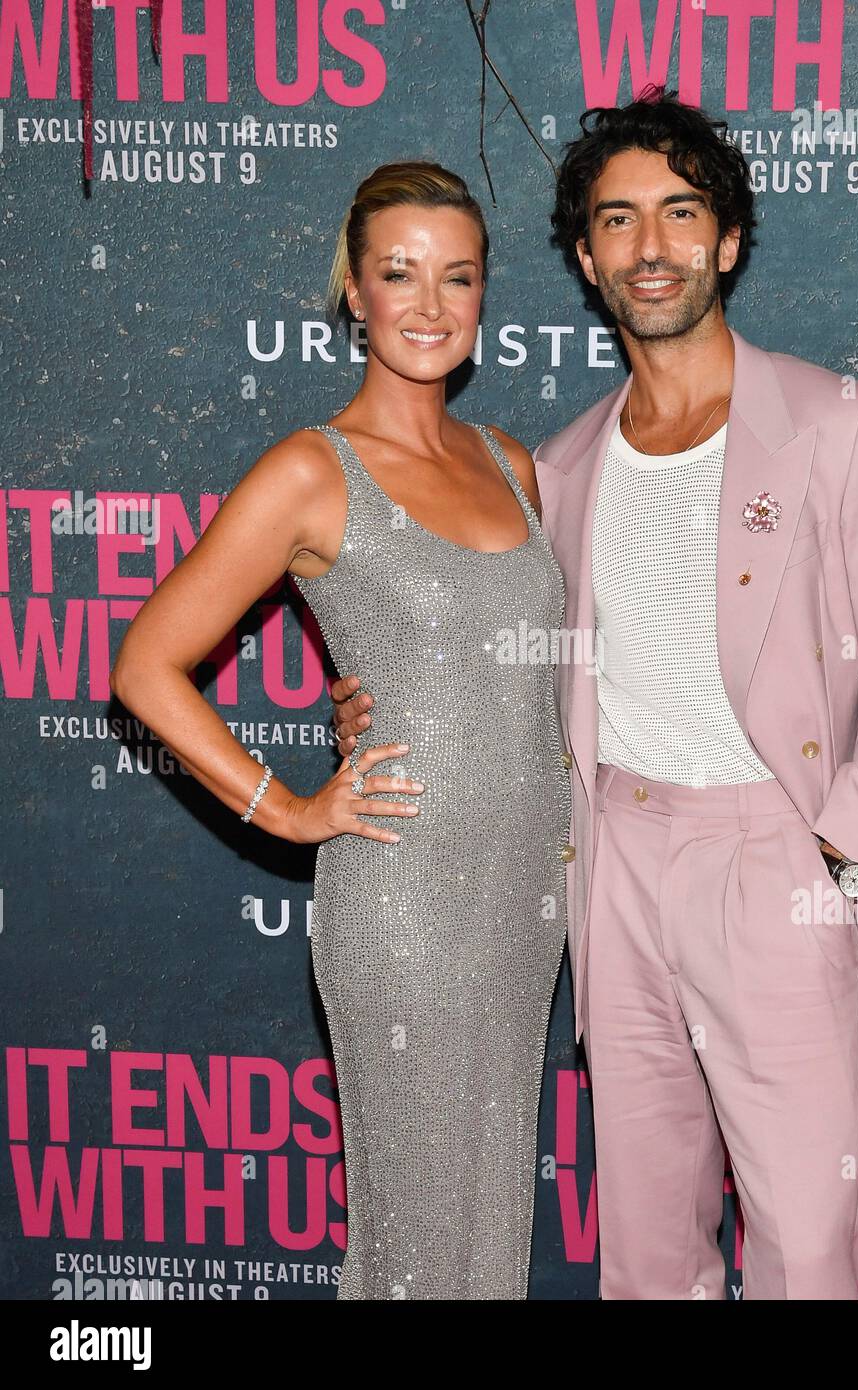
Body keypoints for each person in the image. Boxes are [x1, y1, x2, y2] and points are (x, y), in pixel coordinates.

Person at [331, 91, 858, 1300]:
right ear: (584, 258)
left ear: (727, 238)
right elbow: (477, 641)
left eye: (681, 213)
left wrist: (841, 845)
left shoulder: (843, 426)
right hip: (610, 863)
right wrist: (367, 705)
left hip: (776, 856)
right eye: (618, 221)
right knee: (646, 1246)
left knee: (807, 1246)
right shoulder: (559, 467)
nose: (651, 245)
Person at [110, 162, 570, 1300]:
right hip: (404, 897)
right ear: (353, 293)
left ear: (482, 297)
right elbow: (144, 666)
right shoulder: (314, 470)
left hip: (524, 898)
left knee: (488, 1226)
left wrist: (381, 685)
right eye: (398, 274)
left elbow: (510, 672)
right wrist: (293, 807)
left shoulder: (511, 464)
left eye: (456, 277)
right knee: (415, 1239)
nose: (428, 303)